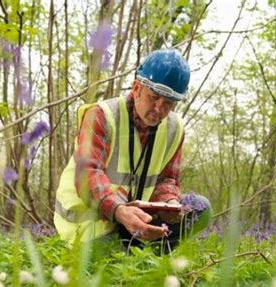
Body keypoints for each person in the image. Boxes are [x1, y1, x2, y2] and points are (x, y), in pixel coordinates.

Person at [54, 49, 211, 251]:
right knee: (106, 258)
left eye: (168, 104)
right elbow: (88, 174)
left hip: (136, 219)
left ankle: (148, 260)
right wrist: (120, 212)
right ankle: (131, 259)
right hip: (91, 227)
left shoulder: (174, 128)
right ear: (137, 87)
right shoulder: (101, 115)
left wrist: (169, 203)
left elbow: (166, 180)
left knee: (200, 207)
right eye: (153, 97)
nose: (159, 109)